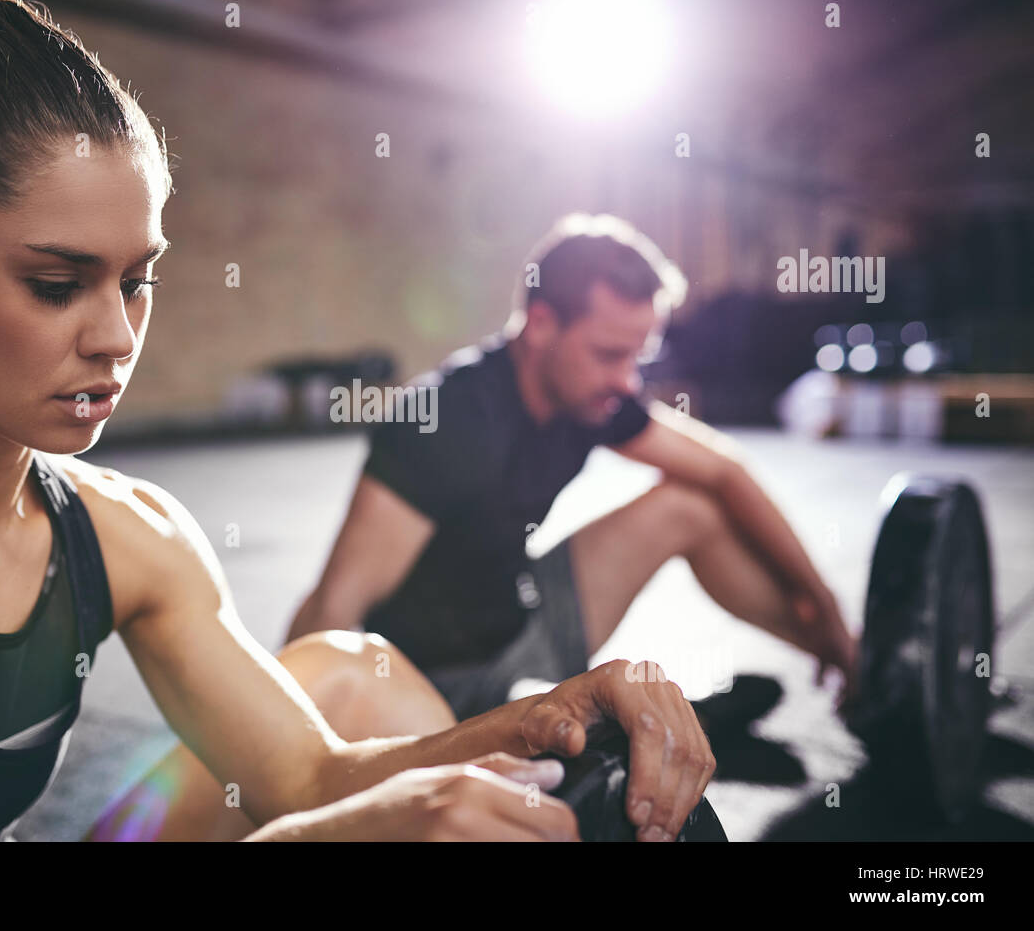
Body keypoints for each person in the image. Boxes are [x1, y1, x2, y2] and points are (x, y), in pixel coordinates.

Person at [0, 0, 713, 842]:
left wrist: (544, 718)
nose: (116, 335)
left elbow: (306, 777)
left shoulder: (125, 530)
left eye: (136, 280)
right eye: (56, 283)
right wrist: (341, 835)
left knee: (352, 672)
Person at [144, 213, 858, 840]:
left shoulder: (599, 398)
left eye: (638, 358)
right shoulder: (445, 422)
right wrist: (296, 781)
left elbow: (725, 470)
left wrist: (823, 615)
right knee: (526, 779)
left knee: (689, 504)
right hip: (427, 686)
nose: (626, 381)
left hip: (521, 622)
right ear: (541, 324)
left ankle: (850, 665)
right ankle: (651, 720)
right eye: (610, 353)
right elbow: (336, 607)